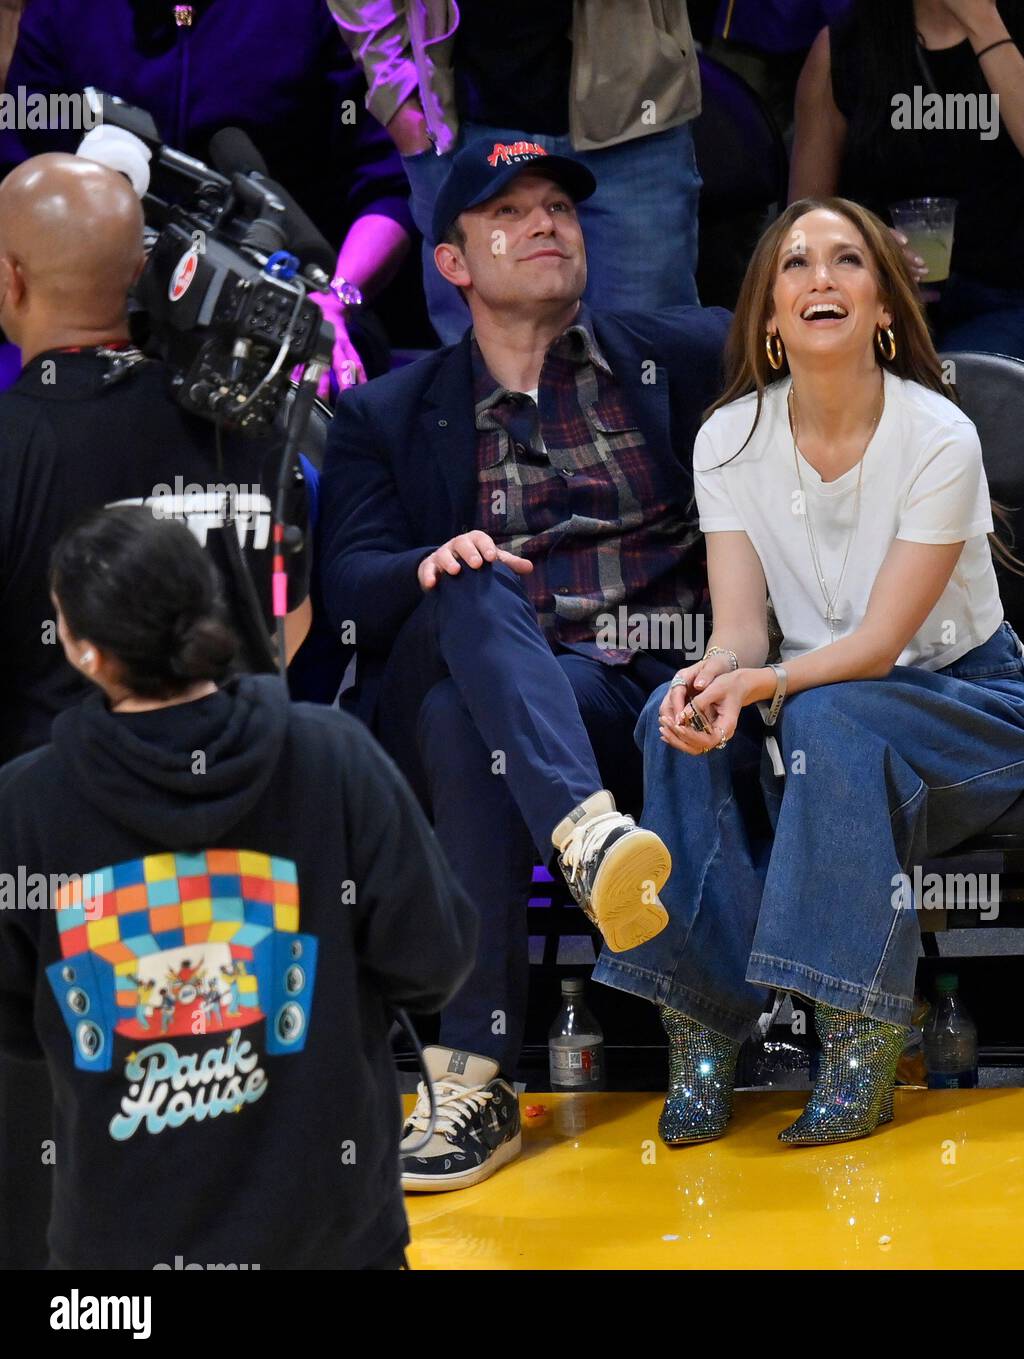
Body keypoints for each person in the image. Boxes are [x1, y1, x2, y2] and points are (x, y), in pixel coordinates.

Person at [591, 197, 1024, 1147]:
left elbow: (882, 645)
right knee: (667, 714)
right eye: (797, 264)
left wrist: (764, 684)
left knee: (834, 718)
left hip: (973, 705)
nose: (822, 276)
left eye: (848, 260)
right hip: (817, 699)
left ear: (885, 307)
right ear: (771, 319)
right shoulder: (728, 437)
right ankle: (705, 1029)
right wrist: (714, 675)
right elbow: (738, 628)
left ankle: (855, 1035)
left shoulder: (940, 436)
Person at [320, 136, 729, 1187]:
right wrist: (428, 561)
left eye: (561, 206)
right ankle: (587, 838)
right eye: (511, 213)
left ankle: (469, 1084)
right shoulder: (388, 414)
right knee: (467, 602)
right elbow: (349, 586)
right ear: (452, 263)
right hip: (508, 673)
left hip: (652, 690)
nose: (546, 223)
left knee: (470, 722)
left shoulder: (679, 357)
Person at [0, 506, 477, 1269]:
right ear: (214, 606)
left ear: (85, 651)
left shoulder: (25, 806)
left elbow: (18, 1022)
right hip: (332, 1237)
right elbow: (435, 956)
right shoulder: (335, 756)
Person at [0, 153, 312, 767]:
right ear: (142, 270)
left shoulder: (12, 442)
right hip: (249, 799)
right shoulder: (246, 416)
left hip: (59, 824)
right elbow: (288, 629)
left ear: (10, 279)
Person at [0, 0, 417, 396]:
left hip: (280, 305)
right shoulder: (63, 12)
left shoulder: (310, 12)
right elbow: (18, 179)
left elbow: (387, 188)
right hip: (98, 314)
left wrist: (333, 302)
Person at [328, 0, 704, 342]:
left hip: (634, 117)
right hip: (458, 125)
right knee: (484, 390)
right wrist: (395, 95)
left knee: (646, 365)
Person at [790, 0, 1024, 365]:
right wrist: (864, 244)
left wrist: (982, 21)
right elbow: (801, 225)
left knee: (959, 385)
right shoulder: (842, 46)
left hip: (1021, 298)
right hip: (883, 302)